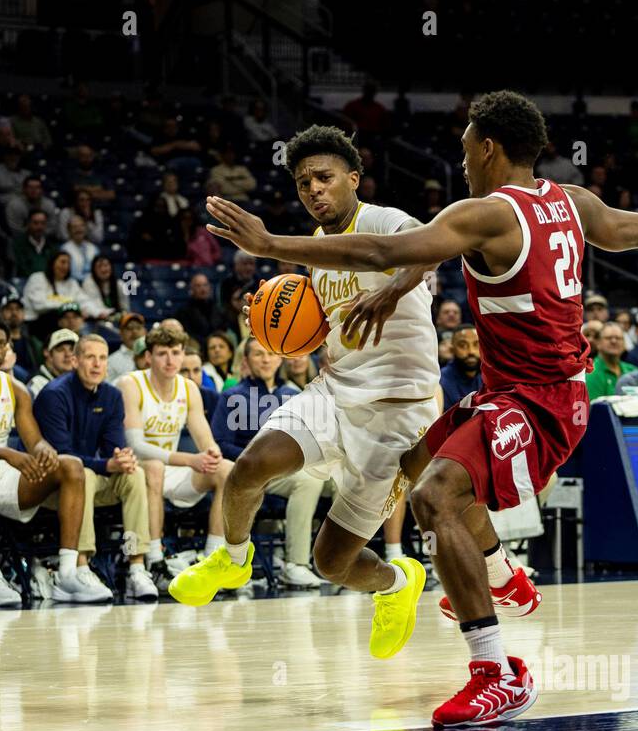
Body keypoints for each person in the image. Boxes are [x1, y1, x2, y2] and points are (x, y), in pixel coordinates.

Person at [207, 90, 638, 726]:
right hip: (511, 393)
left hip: (540, 403)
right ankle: (502, 573)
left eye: (464, 150)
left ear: (488, 147)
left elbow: (382, 253)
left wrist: (270, 244)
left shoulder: (487, 214)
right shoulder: (569, 202)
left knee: (435, 498)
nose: (461, 164)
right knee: (413, 464)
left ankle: (498, 673)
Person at [179, 123, 441, 650]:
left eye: (323, 178)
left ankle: (397, 583)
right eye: (303, 184)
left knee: (331, 562)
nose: (314, 190)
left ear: (353, 177)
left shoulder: (385, 219)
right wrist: (271, 320)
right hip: (336, 391)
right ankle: (232, 561)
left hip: (397, 411)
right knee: (250, 466)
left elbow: (431, 250)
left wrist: (392, 291)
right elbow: (316, 329)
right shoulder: (316, 248)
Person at [0, 310, 92, 605]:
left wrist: (44, 452)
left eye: (1, 344)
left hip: (5, 475)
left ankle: (68, 572)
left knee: (72, 465)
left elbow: (34, 440)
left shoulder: (17, 389)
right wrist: (7, 453)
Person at [34, 334, 158, 601]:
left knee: (134, 473)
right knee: (84, 474)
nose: (97, 364)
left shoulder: (112, 395)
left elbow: (114, 445)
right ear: (74, 361)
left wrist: (122, 458)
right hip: (56, 486)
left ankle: (136, 565)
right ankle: (81, 565)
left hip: (90, 478)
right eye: (90, 357)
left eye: (102, 358)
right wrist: (107, 463)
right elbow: (63, 456)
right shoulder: (54, 395)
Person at [116, 326, 234, 590]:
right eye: (162, 354)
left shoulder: (188, 387)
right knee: (155, 466)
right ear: (149, 357)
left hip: (171, 468)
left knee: (226, 469)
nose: (170, 360)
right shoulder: (130, 383)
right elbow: (135, 445)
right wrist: (189, 460)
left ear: (183, 355)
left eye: (175, 353)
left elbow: (204, 437)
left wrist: (212, 452)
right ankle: (155, 561)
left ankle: (212, 559)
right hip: (133, 468)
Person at [209, 337, 326, 588]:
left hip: (291, 470)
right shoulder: (232, 395)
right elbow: (220, 442)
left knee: (343, 482)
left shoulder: (294, 394)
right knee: (307, 483)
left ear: (280, 358)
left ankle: (341, 560)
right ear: (246, 360)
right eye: (258, 354)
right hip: (253, 474)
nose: (265, 359)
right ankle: (296, 564)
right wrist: (260, 460)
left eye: (271, 354)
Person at [585, 322, 636, 400]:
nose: (614, 341)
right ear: (598, 343)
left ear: (624, 344)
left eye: (618, 338)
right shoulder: (590, 372)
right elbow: (593, 409)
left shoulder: (633, 370)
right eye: (608, 338)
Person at [440, 326, 482, 408]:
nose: (471, 351)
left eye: (476, 344)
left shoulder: (488, 377)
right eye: (463, 345)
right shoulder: (442, 381)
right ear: (452, 349)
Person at [29, 328, 78, 398]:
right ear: (47, 353)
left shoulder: (80, 380)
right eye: (61, 349)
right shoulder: (37, 384)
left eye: (72, 349)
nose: (68, 354)